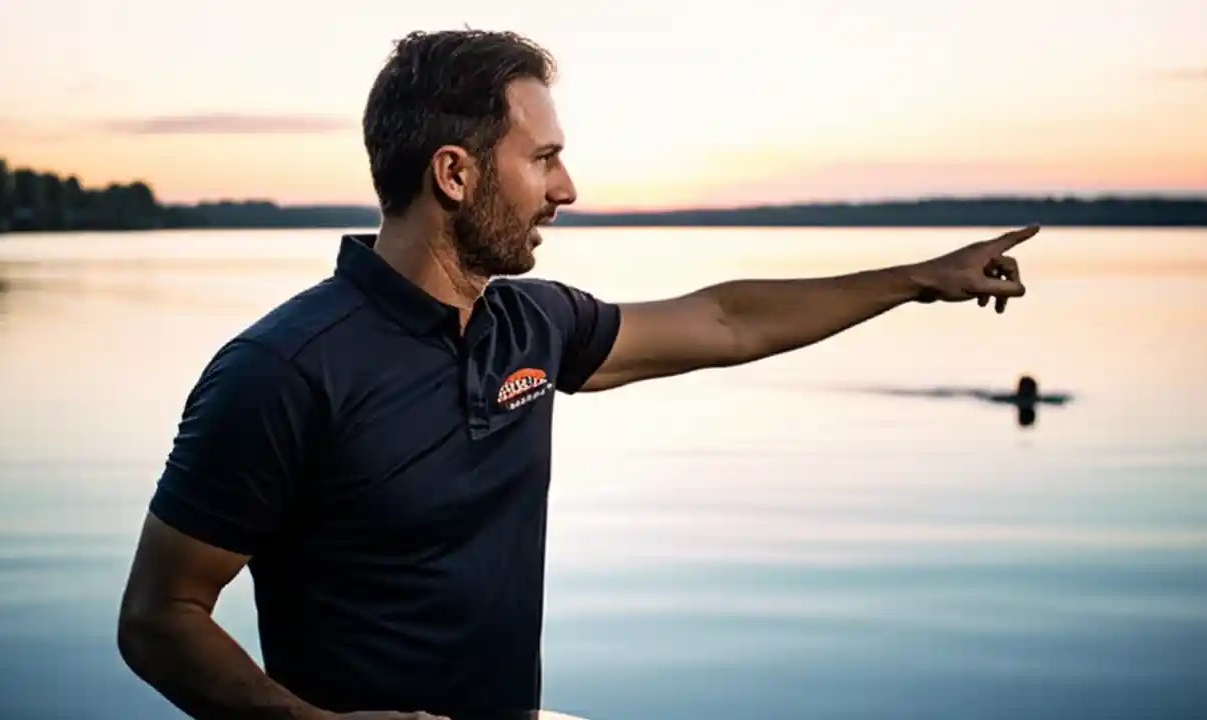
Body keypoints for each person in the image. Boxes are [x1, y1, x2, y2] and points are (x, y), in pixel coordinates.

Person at [116, 29, 1040, 720]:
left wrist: (919, 280)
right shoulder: (282, 370)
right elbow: (160, 615)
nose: (566, 190)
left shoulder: (533, 324)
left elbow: (727, 319)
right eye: (545, 159)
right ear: (454, 175)